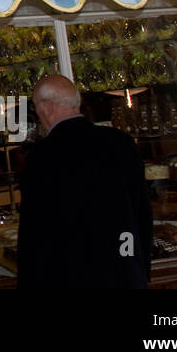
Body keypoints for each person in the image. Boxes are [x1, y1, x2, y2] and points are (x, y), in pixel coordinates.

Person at [18, 74, 153, 288]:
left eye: (35, 107)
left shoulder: (41, 157)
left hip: (71, 276)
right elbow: (141, 212)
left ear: (46, 107)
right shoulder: (121, 142)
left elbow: (35, 235)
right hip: (125, 270)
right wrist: (141, 269)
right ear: (77, 101)